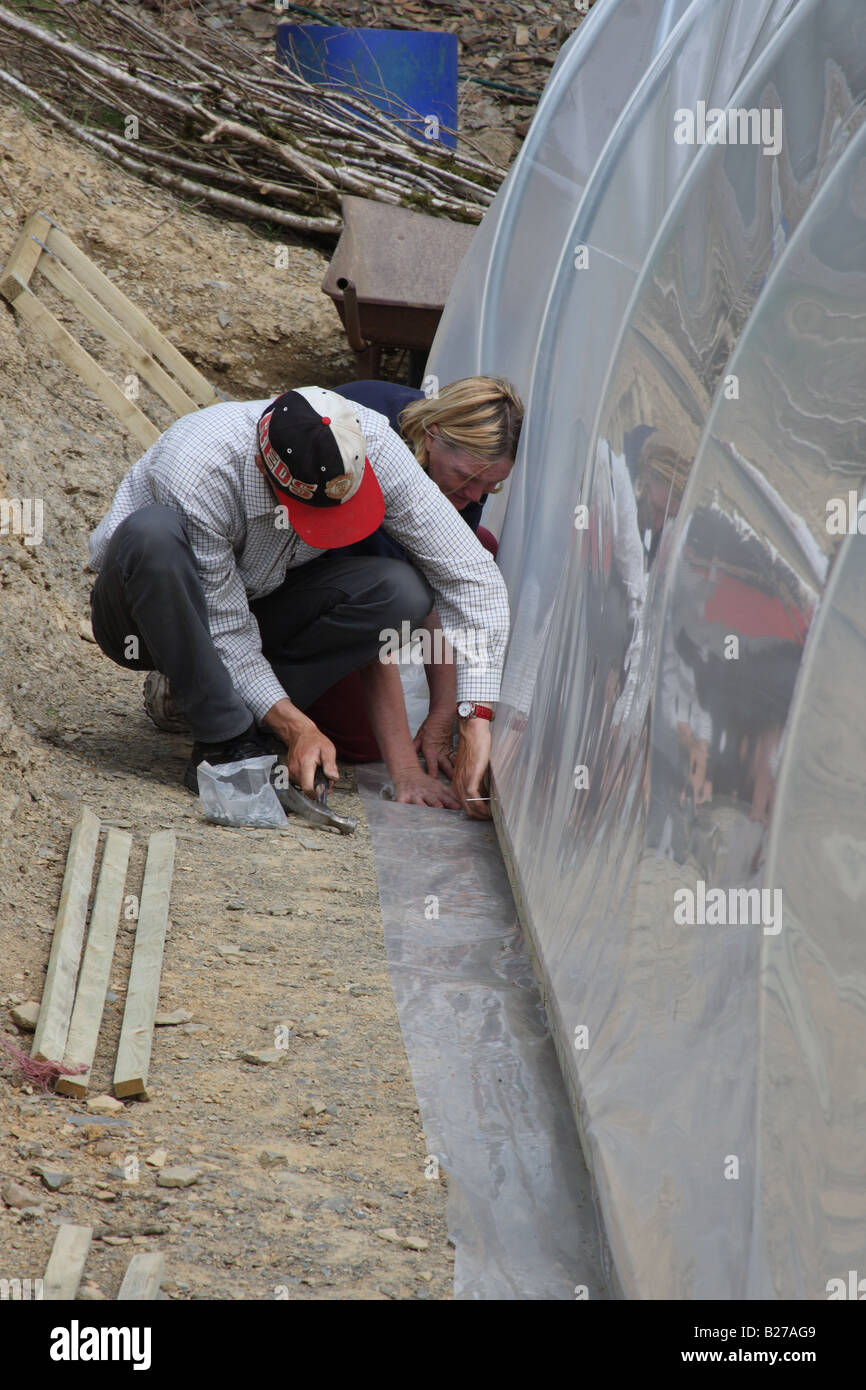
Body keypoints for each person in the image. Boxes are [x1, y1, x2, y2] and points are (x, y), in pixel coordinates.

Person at [88, 385, 511, 820]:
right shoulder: (199, 470)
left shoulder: (370, 440)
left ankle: (214, 706)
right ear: (263, 467)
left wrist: (474, 718)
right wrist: (296, 726)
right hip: (144, 618)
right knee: (154, 533)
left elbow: (471, 574)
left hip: (259, 598)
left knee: (398, 590)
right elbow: (226, 630)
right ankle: (226, 743)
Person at [303, 376, 523, 803]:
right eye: (465, 479)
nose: (473, 496)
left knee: (481, 548)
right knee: (363, 744)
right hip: (295, 584)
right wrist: (405, 771)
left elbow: (446, 580)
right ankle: (234, 684)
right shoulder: (367, 449)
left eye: (489, 487)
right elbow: (373, 618)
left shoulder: (465, 474)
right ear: (431, 436)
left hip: (377, 583)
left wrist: (444, 715)